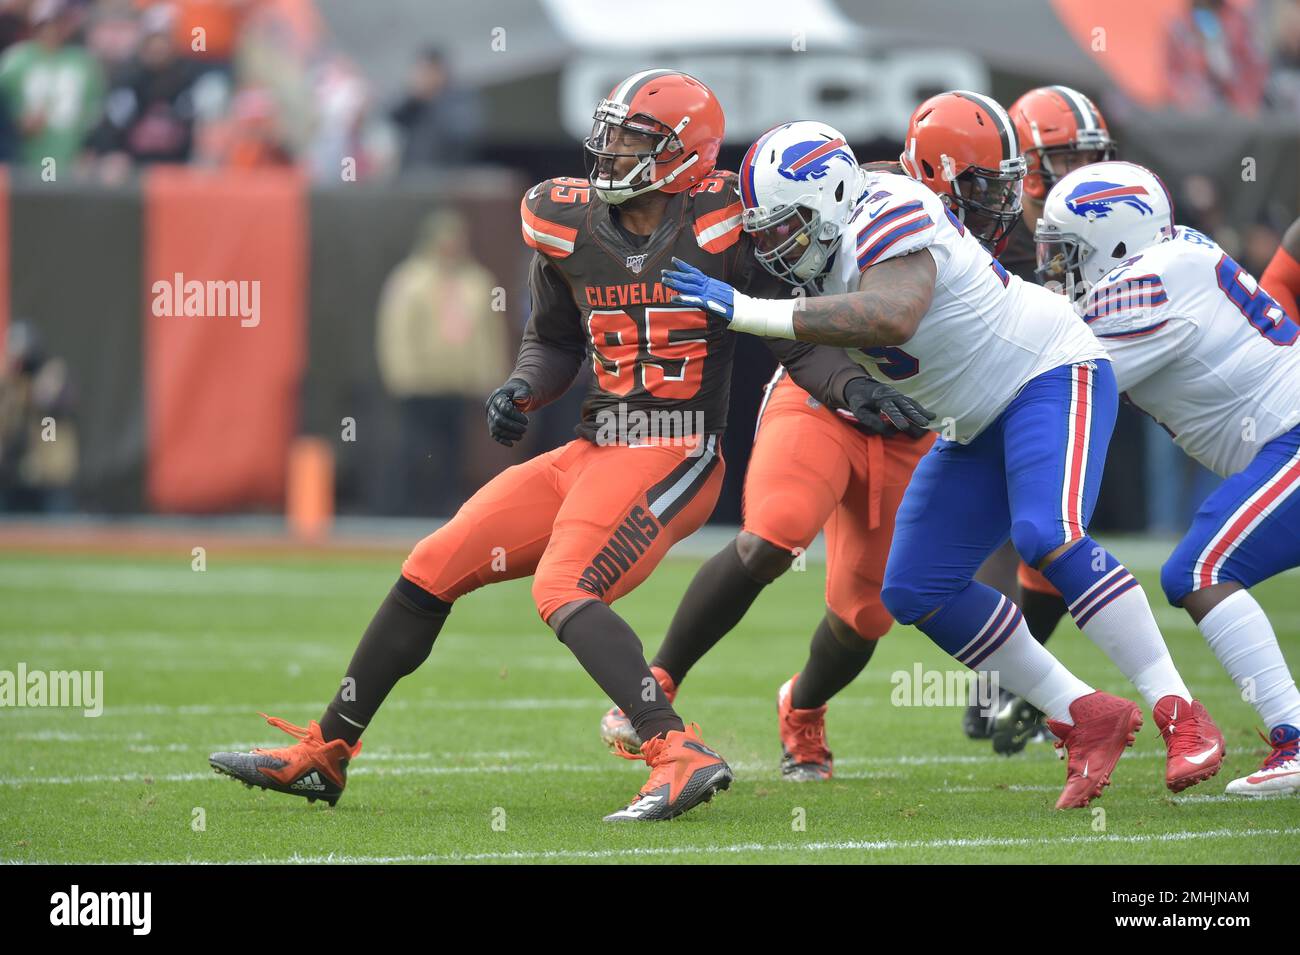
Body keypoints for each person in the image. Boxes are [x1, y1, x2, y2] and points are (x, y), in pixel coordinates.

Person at [209, 70, 912, 822]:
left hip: (677, 448)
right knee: (431, 565)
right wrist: (522, 387)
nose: (610, 152)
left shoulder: (721, 227)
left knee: (563, 586)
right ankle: (328, 749)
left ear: (684, 156)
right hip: (592, 445)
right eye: (610, 134)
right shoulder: (566, 223)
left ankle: (675, 751)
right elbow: (553, 340)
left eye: (634, 141)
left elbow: (786, 332)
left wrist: (849, 388)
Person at [662, 92, 1226, 809]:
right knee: (914, 588)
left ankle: (1182, 712)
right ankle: (1084, 712)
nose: (778, 244)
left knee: (1046, 534)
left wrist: (744, 309)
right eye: (769, 229)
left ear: (833, 196)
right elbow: (797, 321)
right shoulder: (821, 235)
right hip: (970, 421)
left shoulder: (887, 206)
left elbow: (891, 312)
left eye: (790, 225)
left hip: (1049, 371)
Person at [1037, 160, 1300, 795]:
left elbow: (1055, 374)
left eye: (1066, 253)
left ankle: (1294, 736)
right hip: (1279, 443)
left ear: (1117, 241)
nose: (1054, 268)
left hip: (1291, 439)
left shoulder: (1153, 283)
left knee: (1199, 570)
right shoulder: (1172, 259)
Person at [375, 209, 508, 516]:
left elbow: (489, 334)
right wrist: (401, 373)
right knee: (417, 444)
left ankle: (445, 504)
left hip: (459, 379)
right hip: (421, 380)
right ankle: (411, 504)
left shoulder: (477, 282)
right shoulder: (409, 280)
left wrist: (493, 377)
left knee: (455, 447)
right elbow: (396, 330)